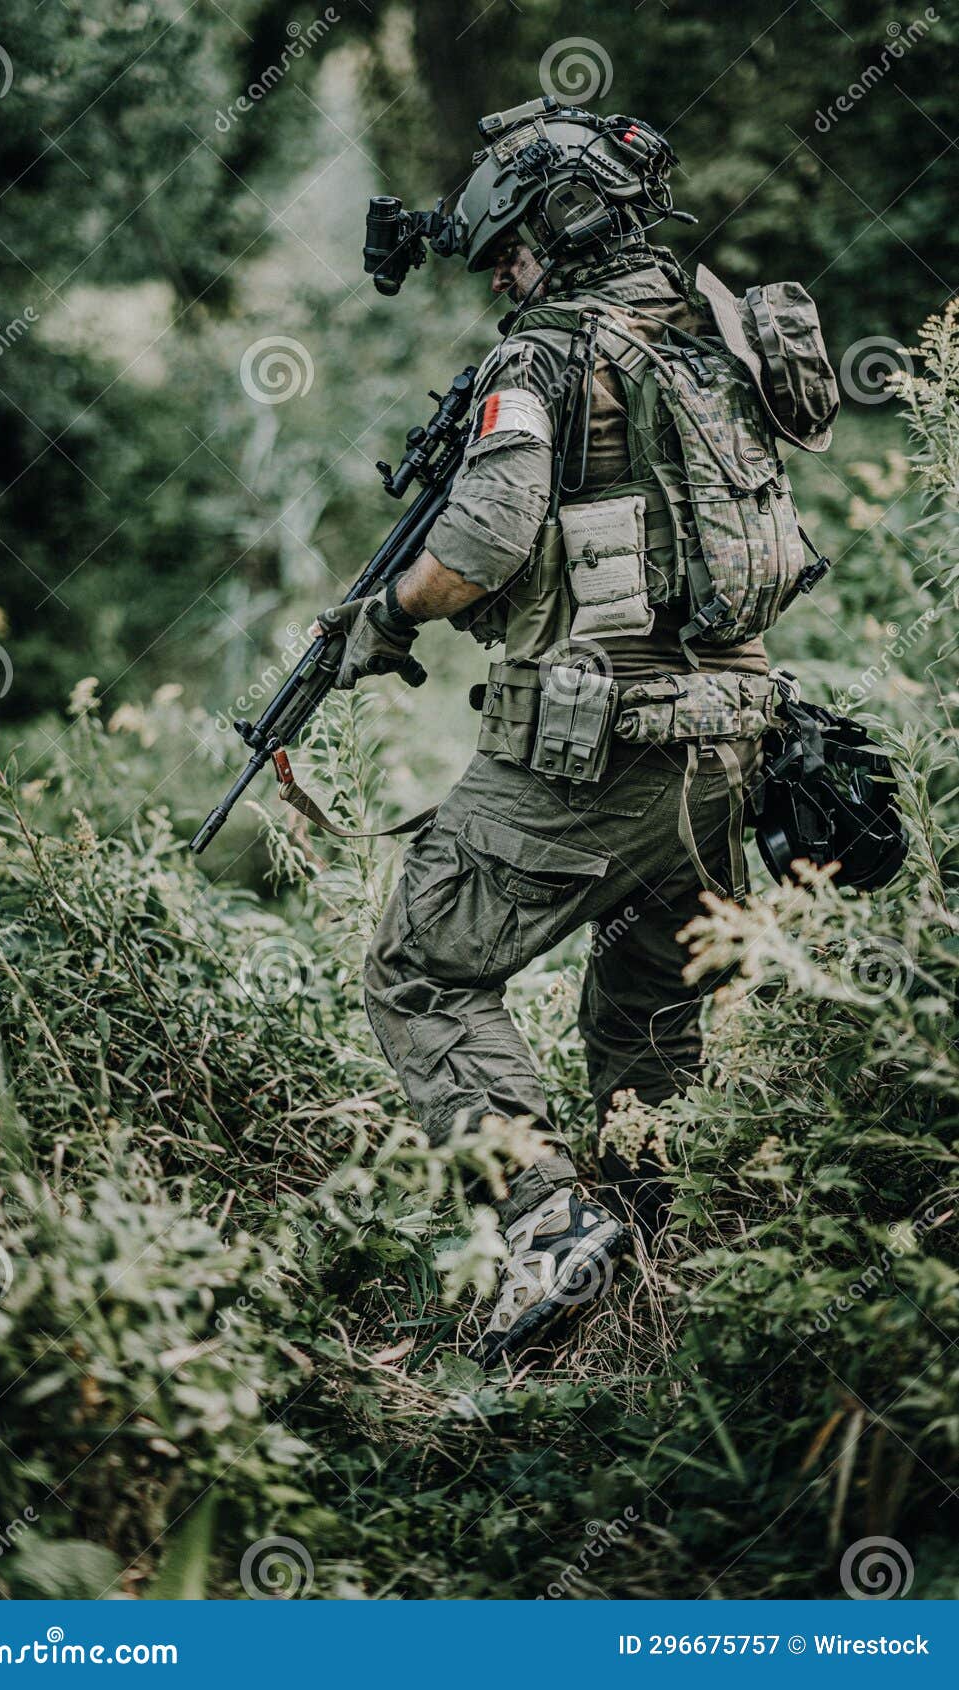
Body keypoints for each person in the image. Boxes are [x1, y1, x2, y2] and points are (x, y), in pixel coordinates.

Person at [313, 101, 835, 1367]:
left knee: (420, 968)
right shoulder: (721, 328)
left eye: (511, 254)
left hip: (593, 746)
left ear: (558, 227)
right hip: (738, 743)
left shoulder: (541, 358)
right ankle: (638, 1293)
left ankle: (547, 1218)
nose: (503, 279)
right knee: (649, 1013)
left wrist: (387, 612)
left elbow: (485, 538)